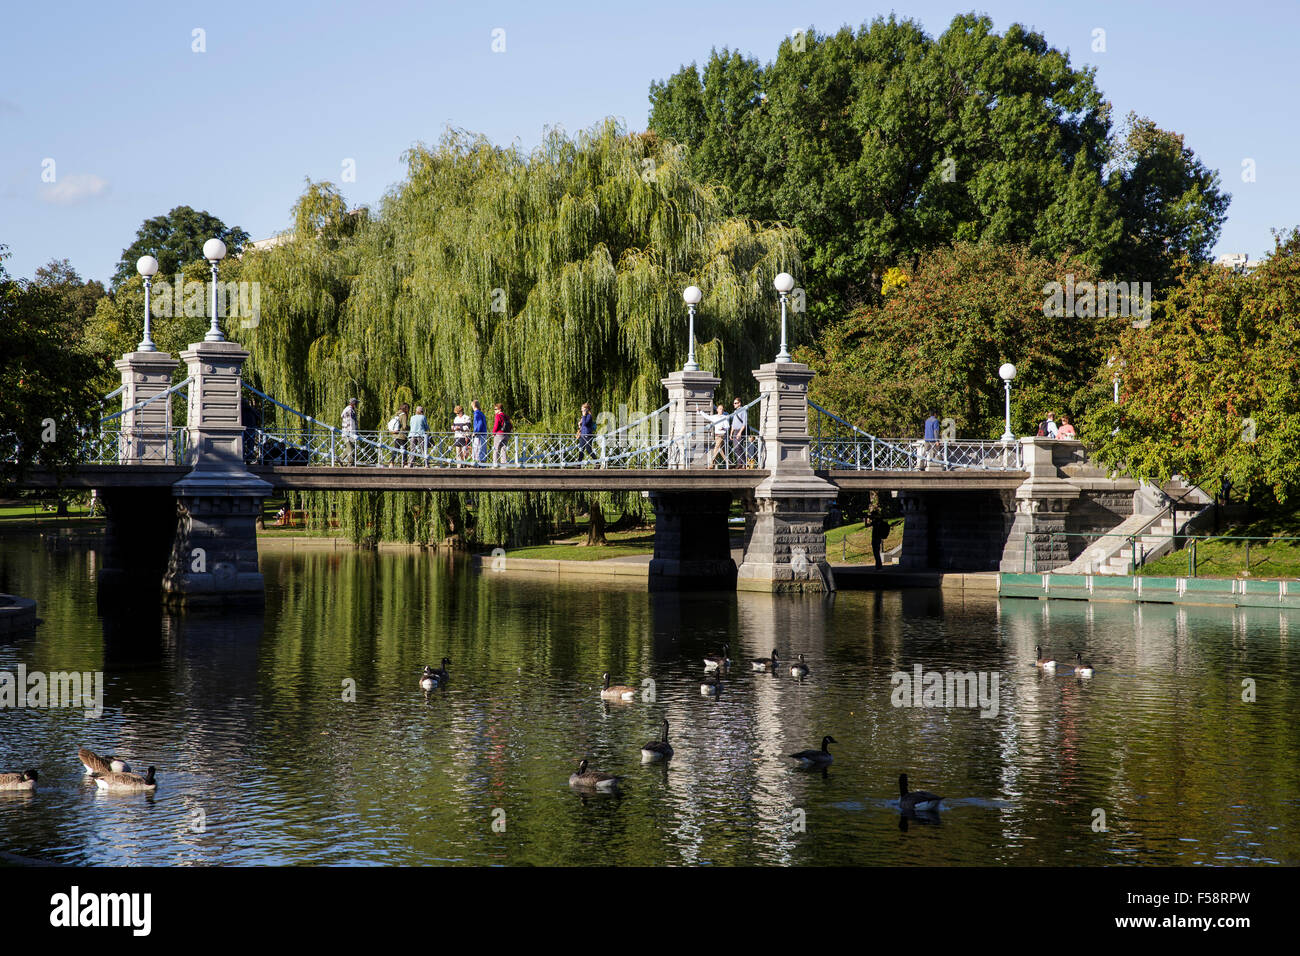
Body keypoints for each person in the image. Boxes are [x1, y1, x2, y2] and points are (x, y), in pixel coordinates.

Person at [699, 403, 730, 468]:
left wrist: (723, 428)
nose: (721, 410)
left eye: (722, 409)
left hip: (721, 435)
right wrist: (700, 411)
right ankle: (728, 462)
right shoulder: (715, 417)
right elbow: (707, 417)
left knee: (716, 448)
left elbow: (728, 426)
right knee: (720, 450)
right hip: (716, 435)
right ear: (717, 410)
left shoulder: (725, 417)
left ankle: (711, 464)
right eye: (720, 409)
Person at [729, 397, 748, 467]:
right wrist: (731, 433)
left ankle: (743, 463)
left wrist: (740, 432)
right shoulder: (735, 412)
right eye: (733, 403)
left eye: (735, 403)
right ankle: (740, 462)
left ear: (739, 403)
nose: (734, 404)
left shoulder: (743, 411)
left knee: (738, 447)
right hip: (735, 431)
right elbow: (733, 424)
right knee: (735, 448)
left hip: (740, 431)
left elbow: (744, 423)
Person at [340, 397, 359, 465]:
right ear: (353, 403)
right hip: (348, 433)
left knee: (349, 447)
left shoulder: (348, 409)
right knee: (350, 448)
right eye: (356, 403)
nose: (357, 404)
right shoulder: (350, 410)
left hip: (346, 432)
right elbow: (351, 422)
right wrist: (353, 433)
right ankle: (350, 463)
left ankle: (340, 458)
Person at [471, 400, 488, 464]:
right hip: (484, 433)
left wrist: (475, 432)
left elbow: (479, 423)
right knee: (482, 448)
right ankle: (482, 462)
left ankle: (478, 463)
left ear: (474, 406)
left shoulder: (477, 413)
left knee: (477, 448)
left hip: (479, 434)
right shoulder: (481, 413)